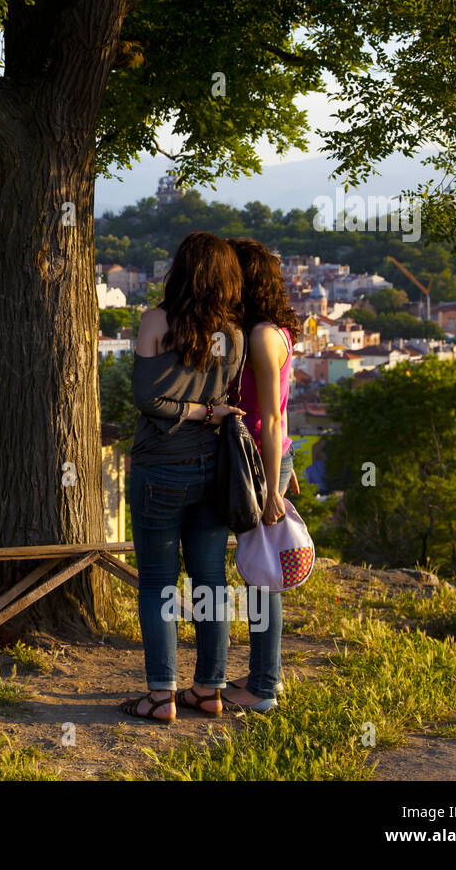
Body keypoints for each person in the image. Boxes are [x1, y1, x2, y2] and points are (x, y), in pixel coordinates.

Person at [120, 230, 245, 723]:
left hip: (160, 467)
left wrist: (193, 411)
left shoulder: (157, 320)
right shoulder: (232, 334)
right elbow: (223, 401)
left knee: (157, 582)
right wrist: (209, 411)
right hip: (212, 468)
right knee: (210, 581)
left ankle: (160, 695)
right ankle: (209, 689)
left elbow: (149, 400)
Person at [222, 237, 303, 713]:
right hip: (267, 459)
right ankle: (262, 675)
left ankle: (262, 688)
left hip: (256, 462)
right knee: (259, 572)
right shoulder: (273, 331)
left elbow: (270, 418)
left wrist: (272, 486)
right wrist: (285, 464)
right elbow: (282, 417)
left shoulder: (259, 337)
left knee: (261, 574)